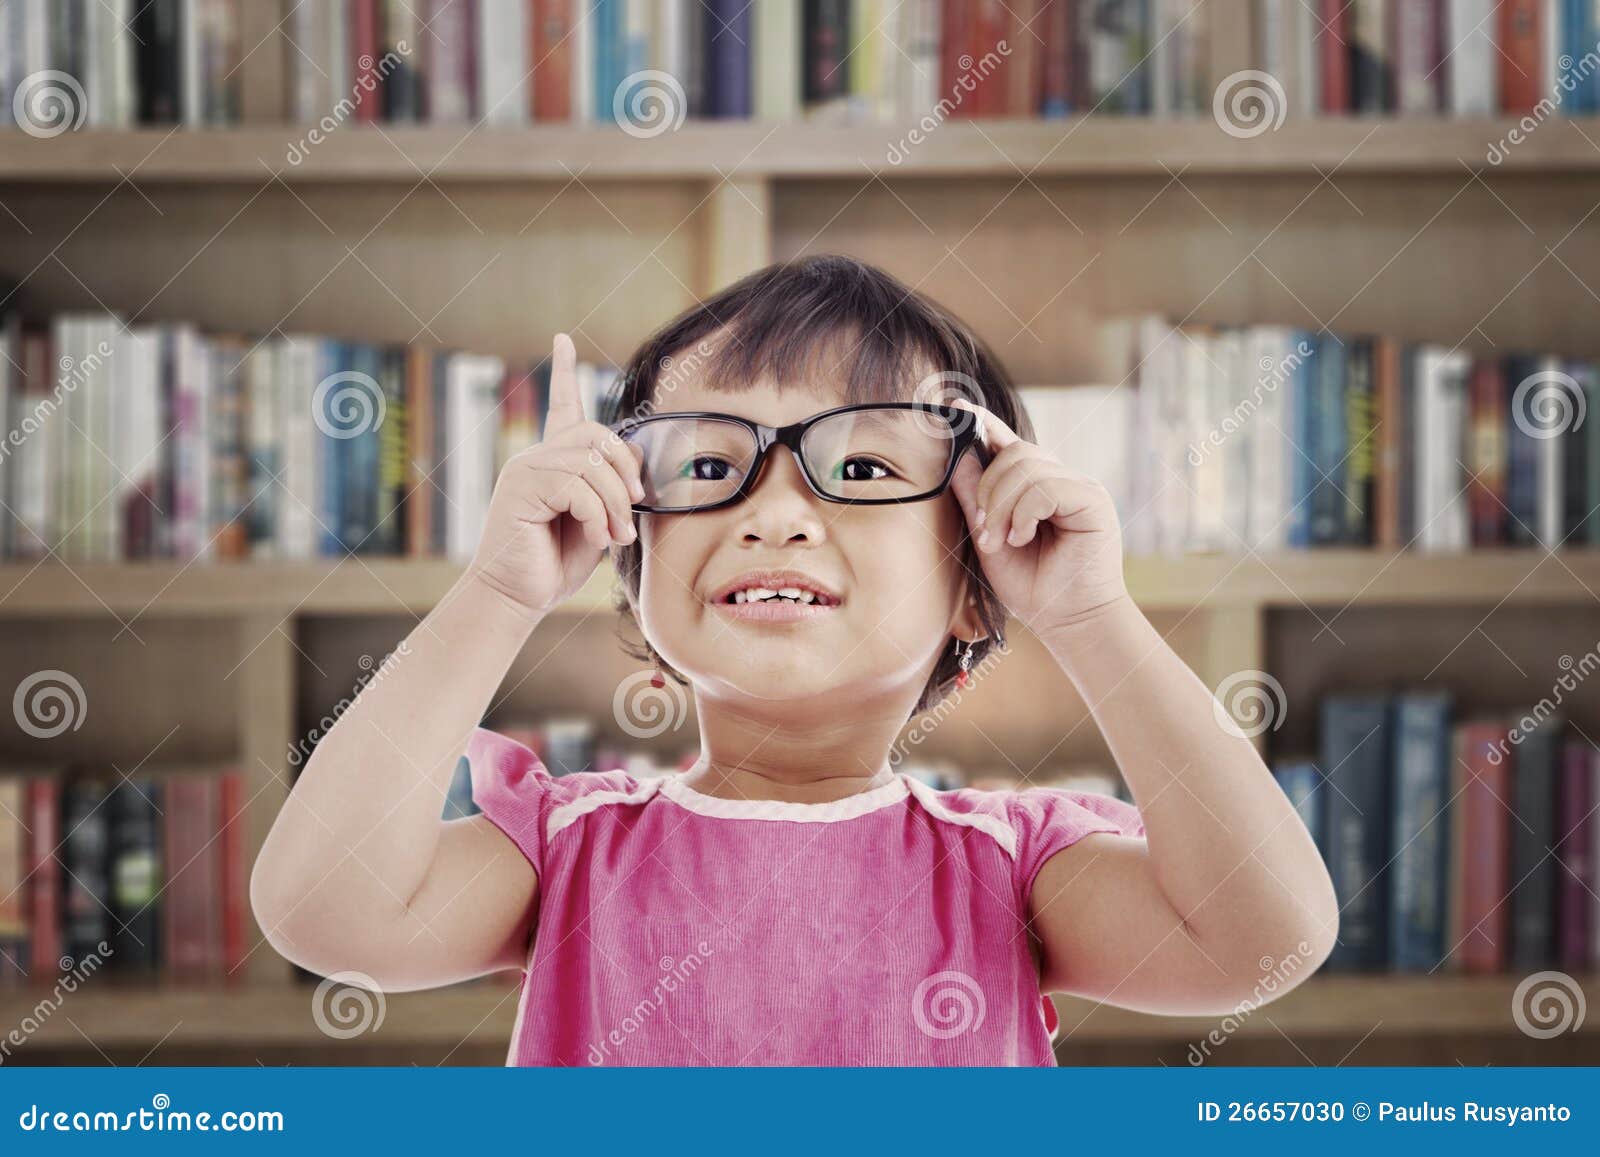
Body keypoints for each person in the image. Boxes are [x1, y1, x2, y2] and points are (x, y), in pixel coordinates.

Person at [251, 255, 1337, 1066]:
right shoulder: (570, 851)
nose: (775, 511)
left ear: (975, 585)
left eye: (860, 465)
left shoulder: (1007, 865)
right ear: (632, 551)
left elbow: (1264, 940)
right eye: (712, 461)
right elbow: (327, 913)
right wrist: (498, 592)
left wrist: (1091, 613)